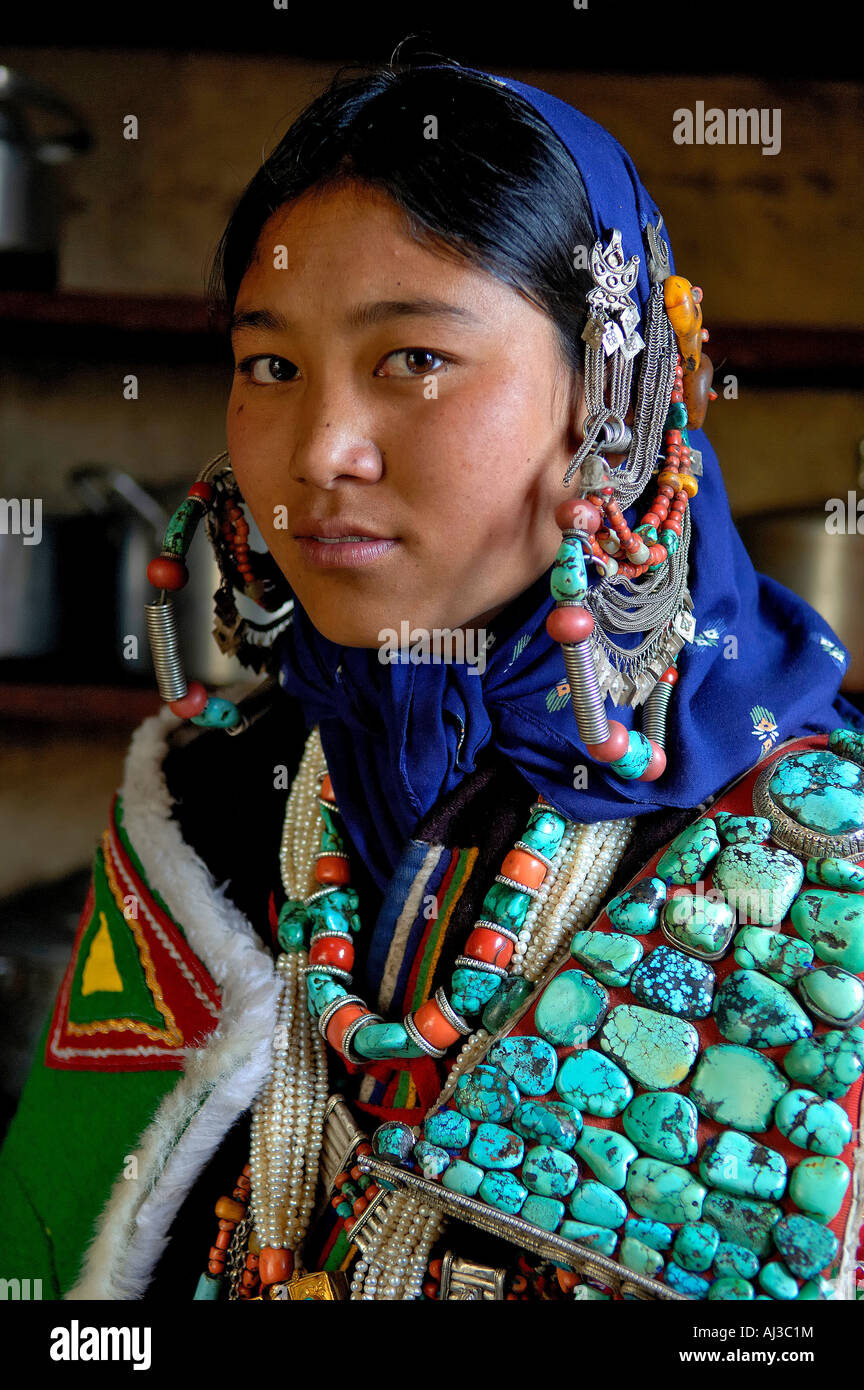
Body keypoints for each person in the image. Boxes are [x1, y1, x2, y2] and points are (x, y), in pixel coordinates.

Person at [1, 52, 862, 1303]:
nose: (320, 452)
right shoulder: (205, 811)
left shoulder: (816, 864)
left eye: (413, 359)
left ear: (613, 395)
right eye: (270, 366)